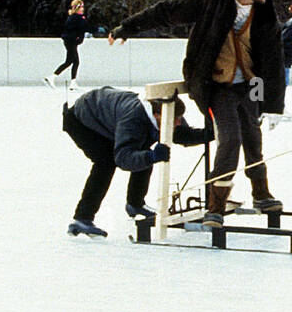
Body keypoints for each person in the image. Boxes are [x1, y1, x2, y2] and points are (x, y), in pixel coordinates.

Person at [107, 0, 286, 227]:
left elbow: (273, 59)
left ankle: (261, 194)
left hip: (253, 85)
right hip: (215, 85)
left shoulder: (264, 10)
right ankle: (216, 205)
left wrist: (273, 105)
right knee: (229, 139)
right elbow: (166, 11)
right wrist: (127, 28)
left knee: (253, 135)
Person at [62, 87, 209, 237]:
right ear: (156, 114)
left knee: (142, 150)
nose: (178, 122)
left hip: (107, 116)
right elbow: (123, 158)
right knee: (106, 162)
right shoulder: (133, 119)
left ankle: (135, 204)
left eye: (180, 118)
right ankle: (82, 218)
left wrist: (209, 134)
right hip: (82, 121)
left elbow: (182, 134)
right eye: (175, 119)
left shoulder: (168, 110)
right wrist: (151, 157)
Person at [45, 0, 90, 90]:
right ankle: (62, 79)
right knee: (75, 61)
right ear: (77, 8)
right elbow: (82, 28)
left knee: (70, 61)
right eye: (81, 7)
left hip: (70, 41)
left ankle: (61, 79)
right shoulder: (76, 18)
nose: (83, 9)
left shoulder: (75, 17)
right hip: (71, 41)